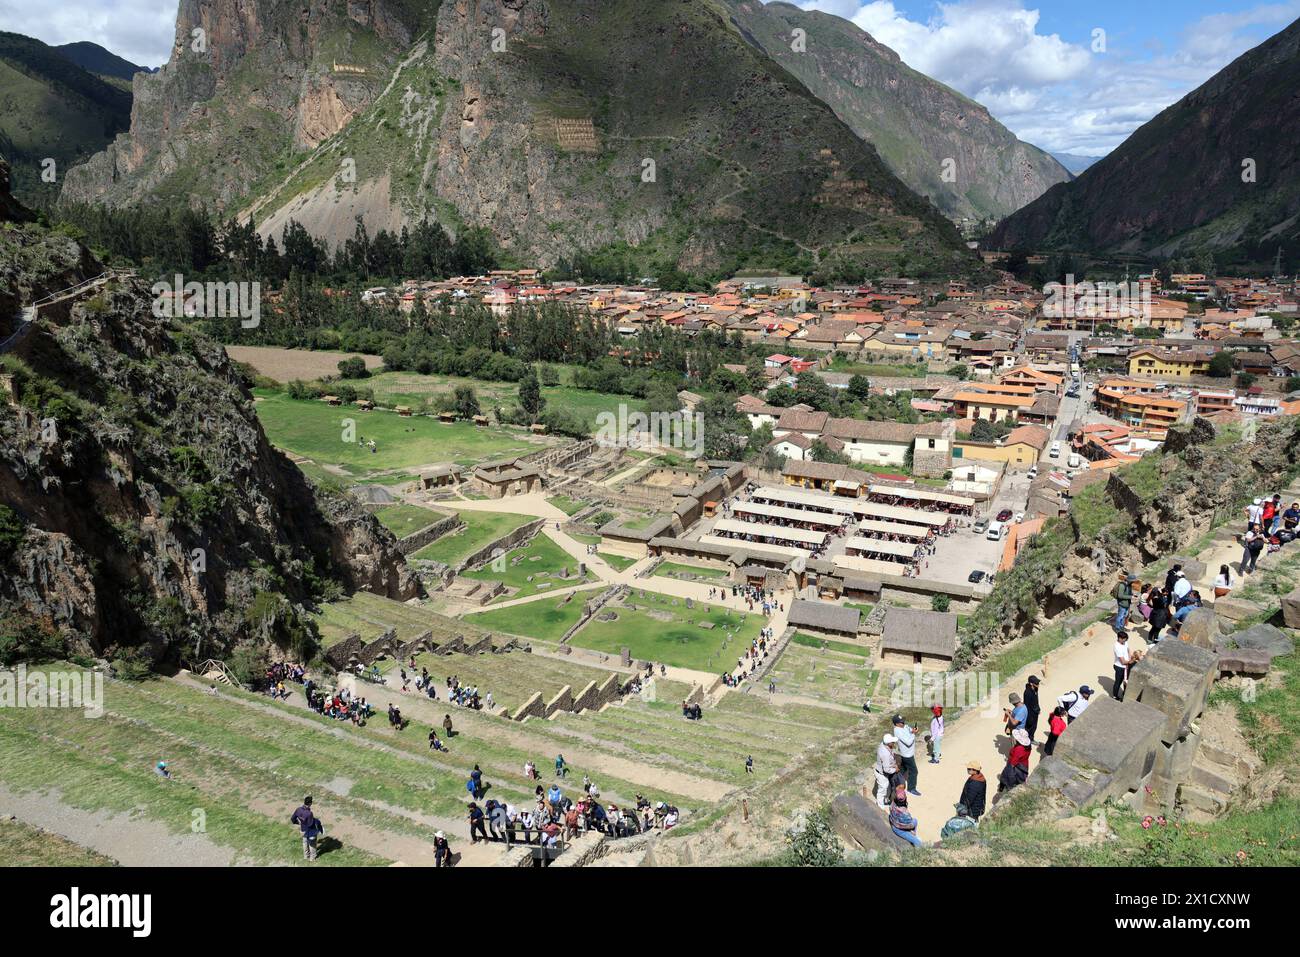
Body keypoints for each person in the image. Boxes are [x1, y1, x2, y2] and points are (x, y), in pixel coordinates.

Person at [892, 714, 921, 796]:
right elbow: (908, 742)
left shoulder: (904, 726)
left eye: (903, 721)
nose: (903, 723)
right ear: (896, 724)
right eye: (901, 722)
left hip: (908, 753)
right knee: (914, 771)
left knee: (903, 769)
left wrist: (912, 731)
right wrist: (913, 734)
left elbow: (909, 730)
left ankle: (896, 782)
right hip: (907, 755)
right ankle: (911, 788)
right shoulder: (897, 731)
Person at [997, 729, 1032, 795]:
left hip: (1015, 766)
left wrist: (1009, 769)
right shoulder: (1028, 746)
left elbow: (1013, 762)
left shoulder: (1019, 749)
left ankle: (1003, 788)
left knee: (1006, 777)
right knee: (1020, 779)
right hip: (1024, 764)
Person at [291, 796, 321, 862]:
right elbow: (310, 824)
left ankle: (306, 856)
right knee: (312, 844)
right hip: (309, 831)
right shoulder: (309, 813)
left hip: (302, 830)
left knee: (305, 842)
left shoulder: (298, 809)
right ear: (310, 803)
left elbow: (292, 819)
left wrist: (298, 823)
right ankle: (312, 858)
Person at [873, 734, 898, 810]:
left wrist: (893, 764)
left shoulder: (883, 745)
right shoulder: (885, 753)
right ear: (889, 743)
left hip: (882, 770)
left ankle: (884, 801)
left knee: (886, 787)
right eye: (893, 742)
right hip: (881, 773)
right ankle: (880, 806)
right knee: (882, 789)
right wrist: (895, 770)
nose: (894, 743)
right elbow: (886, 769)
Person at [1112, 630, 1133, 701]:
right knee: (1118, 682)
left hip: (1126, 665)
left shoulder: (1125, 642)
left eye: (1126, 640)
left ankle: (1124, 694)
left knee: (1125, 681)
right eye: (1124, 640)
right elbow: (1123, 662)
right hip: (1120, 667)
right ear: (1120, 638)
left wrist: (1130, 657)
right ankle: (1115, 696)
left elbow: (1128, 650)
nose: (1125, 641)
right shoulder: (1117, 647)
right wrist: (1131, 661)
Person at [1023, 675, 1041, 741]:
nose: (1038, 684)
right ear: (1031, 683)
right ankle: (1027, 740)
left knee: (1034, 727)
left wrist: (1038, 709)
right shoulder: (1027, 693)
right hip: (1030, 714)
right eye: (1036, 683)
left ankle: (1031, 739)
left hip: (1035, 712)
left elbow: (1036, 701)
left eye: (1038, 683)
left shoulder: (1035, 689)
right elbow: (1027, 705)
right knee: (1029, 727)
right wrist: (1029, 716)